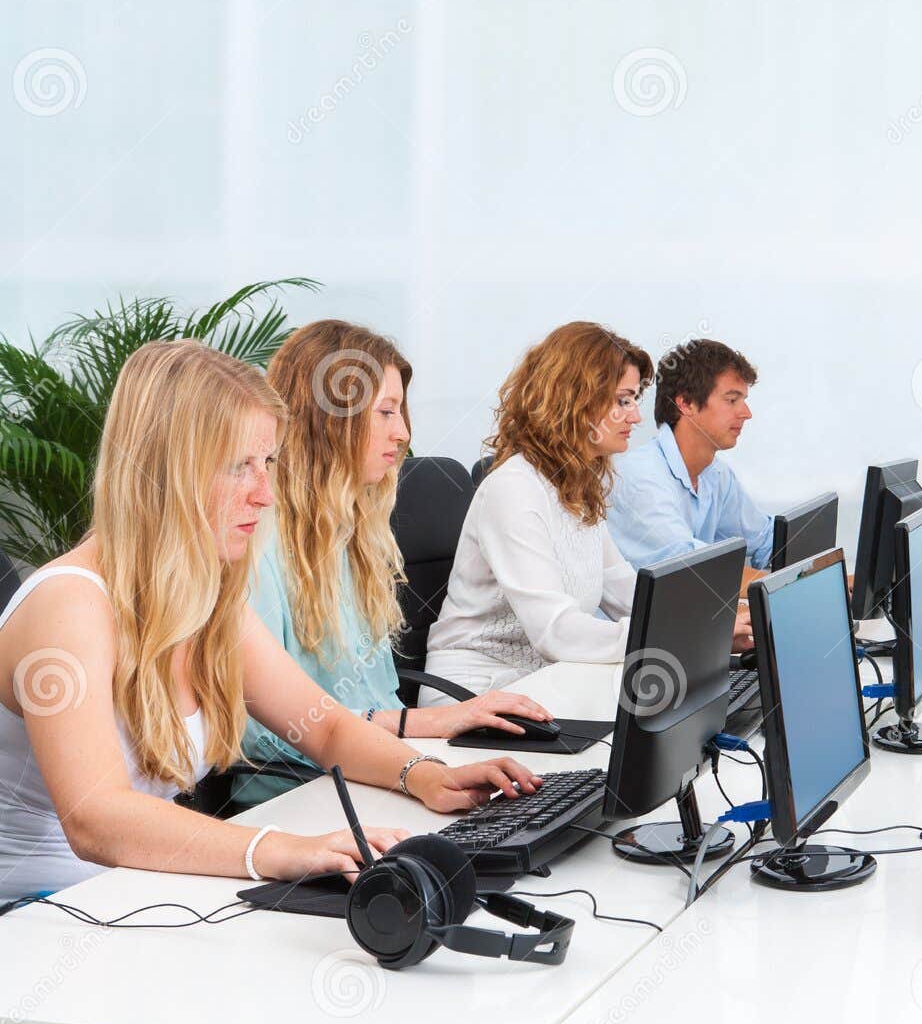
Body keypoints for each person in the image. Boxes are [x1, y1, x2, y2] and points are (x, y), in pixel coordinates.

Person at [0, 341, 540, 903]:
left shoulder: (207, 593)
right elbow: (96, 818)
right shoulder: (70, 605)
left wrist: (427, 776)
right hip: (33, 918)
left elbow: (324, 727)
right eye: (240, 467)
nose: (265, 494)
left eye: (270, 463)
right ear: (167, 472)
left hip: (133, 891)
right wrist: (278, 850)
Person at [242, 321, 555, 797]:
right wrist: (428, 725)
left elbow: (376, 696)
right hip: (302, 795)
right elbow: (259, 734)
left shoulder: (356, 533)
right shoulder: (257, 542)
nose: (403, 433)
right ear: (330, 420)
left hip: (380, 771)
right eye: (386, 412)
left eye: (400, 412)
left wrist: (429, 739)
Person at [424, 323, 753, 701]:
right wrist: (690, 637)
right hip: (474, 694)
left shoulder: (579, 487)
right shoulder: (514, 489)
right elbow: (556, 632)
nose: (636, 417)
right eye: (623, 400)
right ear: (575, 401)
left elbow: (629, 593)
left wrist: (714, 626)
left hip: (545, 684)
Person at [606, 338, 773, 590]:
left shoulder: (716, 474)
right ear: (685, 403)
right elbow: (694, 571)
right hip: (628, 627)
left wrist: (840, 578)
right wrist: (797, 584)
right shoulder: (641, 478)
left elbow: (764, 540)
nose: (746, 413)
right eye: (731, 400)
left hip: (684, 619)